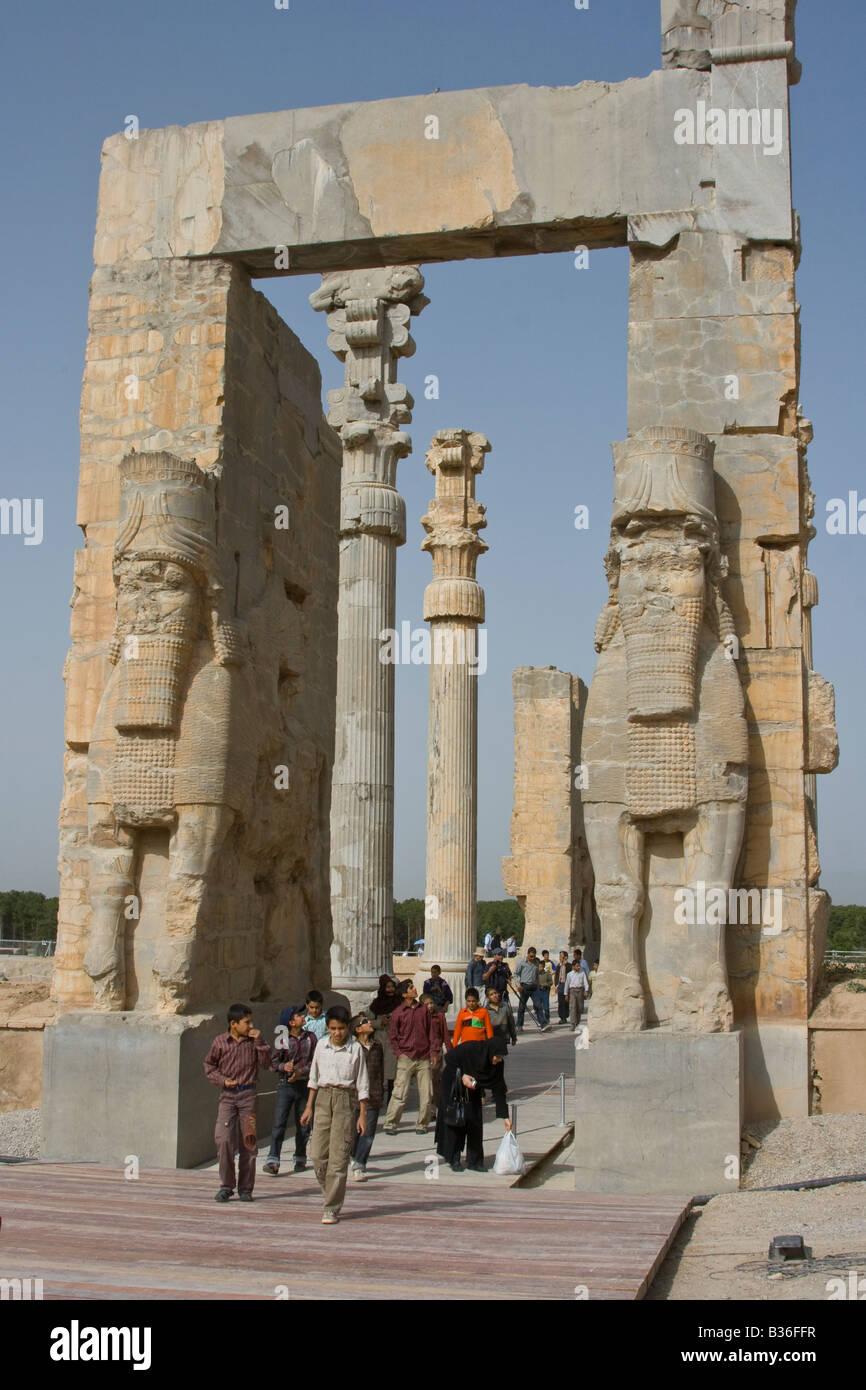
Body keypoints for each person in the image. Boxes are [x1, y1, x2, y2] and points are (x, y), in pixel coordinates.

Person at [300, 1005, 369, 1224]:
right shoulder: (321, 1045)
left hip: (345, 1101)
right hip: (322, 1098)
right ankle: (330, 1190)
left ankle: (331, 1207)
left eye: (340, 1028)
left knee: (338, 1158)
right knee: (318, 1155)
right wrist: (309, 1107)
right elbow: (313, 1077)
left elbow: (362, 1083)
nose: (337, 1033)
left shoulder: (356, 1049)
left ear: (348, 1027)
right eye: (332, 1028)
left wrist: (362, 1115)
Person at [204, 1003, 272, 1203]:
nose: (251, 1026)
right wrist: (222, 1080)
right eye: (246, 1022)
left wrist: (260, 1042)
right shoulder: (219, 1042)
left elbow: (267, 1063)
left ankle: (246, 1188)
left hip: (248, 1097)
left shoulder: (254, 1041)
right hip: (227, 1097)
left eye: (251, 1021)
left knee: (248, 1143)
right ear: (233, 1024)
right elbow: (209, 1066)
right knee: (223, 1140)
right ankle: (226, 1185)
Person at [435, 1037, 512, 1173]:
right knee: (457, 1120)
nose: (498, 1060)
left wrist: (505, 1117)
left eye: (500, 1057)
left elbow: (499, 1088)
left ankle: (474, 1161)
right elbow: (450, 1059)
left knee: (474, 1120)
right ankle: (454, 1158)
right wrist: (463, 1076)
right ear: (490, 1051)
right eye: (497, 1057)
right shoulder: (471, 1048)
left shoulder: (498, 1064)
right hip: (454, 1085)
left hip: (473, 1087)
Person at [263, 1003, 316, 1176]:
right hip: (286, 1085)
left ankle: (300, 1157)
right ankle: (273, 1159)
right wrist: (284, 1067)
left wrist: (301, 1071)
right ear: (291, 1023)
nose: (303, 1017)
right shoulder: (282, 1039)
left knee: (303, 1125)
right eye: (299, 1015)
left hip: (304, 1085)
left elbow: (314, 1062)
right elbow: (273, 1063)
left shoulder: (311, 1038)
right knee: (279, 1123)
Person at [382, 980, 434, 1135]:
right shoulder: (398, 1013)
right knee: (400, 1092)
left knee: (426, 1093)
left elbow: (430, 1031)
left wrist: (433, 1051)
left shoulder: (423, 1010)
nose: (414, 989)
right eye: (411, 987)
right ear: (404, 994)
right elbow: (393, 1036)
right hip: (406, 1057)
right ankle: (391, 1123)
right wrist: (399, 1053)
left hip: (423, 1056)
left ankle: (422, 1123)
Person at [348, 1011, 383, 1182]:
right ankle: (354, 1155)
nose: (369, 1023)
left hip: (374, 1094)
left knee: (368, 1132)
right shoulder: (352, 1048)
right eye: (365, 1021)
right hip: (354, 1095)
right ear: (357, 1029)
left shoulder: (377, 1046)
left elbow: (380, 1071)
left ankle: (360, 1163)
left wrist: (382, 1090)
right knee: (355, 1131)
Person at [369, 973, 400, 1100]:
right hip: (380, 1039)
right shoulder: (376, 1004)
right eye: (387, 987)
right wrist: (380, 1023)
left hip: (394, 1040)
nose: (390, 990)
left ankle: (391, 1101)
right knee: (378, 1071)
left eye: (392, 987)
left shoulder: (399, 1002)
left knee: (392, 1074)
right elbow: (368, 1021)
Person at [422, 990, 452, 1111]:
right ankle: (426, 1106)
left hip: (436, 1051)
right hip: (423, 1052)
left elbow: (445, 1034)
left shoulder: (439, 1016)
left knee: (435, 1080)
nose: (430, 1006)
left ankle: (434, 1106)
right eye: (427, 1004)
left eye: (432, 1003)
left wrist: (450, 1051)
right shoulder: (419, 1017)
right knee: (425, 1082)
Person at [514, 946, 545, 1031]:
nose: (532, 958)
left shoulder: (537, 963)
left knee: (538, 1005)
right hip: (525, 987)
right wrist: (518, 985)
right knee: (522, 1007)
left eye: (534, 956)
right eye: (531, 956)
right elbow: (516, 974)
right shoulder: (521, 963)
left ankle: (543, 1024)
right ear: (527, 955)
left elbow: (537, 975)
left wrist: (539, 985)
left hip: (534, 987)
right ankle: (519, 1025)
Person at [565, 952, 591, 1029]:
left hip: (580, 990)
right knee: (573, 1007)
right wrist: (566, 994)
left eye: (579, 966)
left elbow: (585, 982)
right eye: (577, 966)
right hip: (572, 991)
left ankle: (578, 1022)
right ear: (573, 967)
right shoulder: (569, 974)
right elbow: (567, 984)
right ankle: (572, 1023)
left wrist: (586, 990)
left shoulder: (582, 973)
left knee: (579, 1008)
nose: (579, 967)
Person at [536, 952, 554, 1027]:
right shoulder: (535, 974)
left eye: (540, 967)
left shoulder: (547, 974)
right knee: (538, 1007)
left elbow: (551, 982)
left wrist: (546, 984)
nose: (539, 968)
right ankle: (540, 1020)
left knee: (546, 1007)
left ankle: (547, 1019)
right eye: (538, 967)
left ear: (543, 967)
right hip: (538, 991)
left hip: (545, 991)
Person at [555, 950, 571, 1025]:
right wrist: (556, 985)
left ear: (565, 957)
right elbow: (556, 976)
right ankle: (562, 1017)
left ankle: (565, 1015)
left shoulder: (569, 966)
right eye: (560, 956)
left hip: (567, 984)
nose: (560, 958)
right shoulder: (558, 966)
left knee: (566, 1001)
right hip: (560, 985)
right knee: (560, 1002)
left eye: (561, 956)